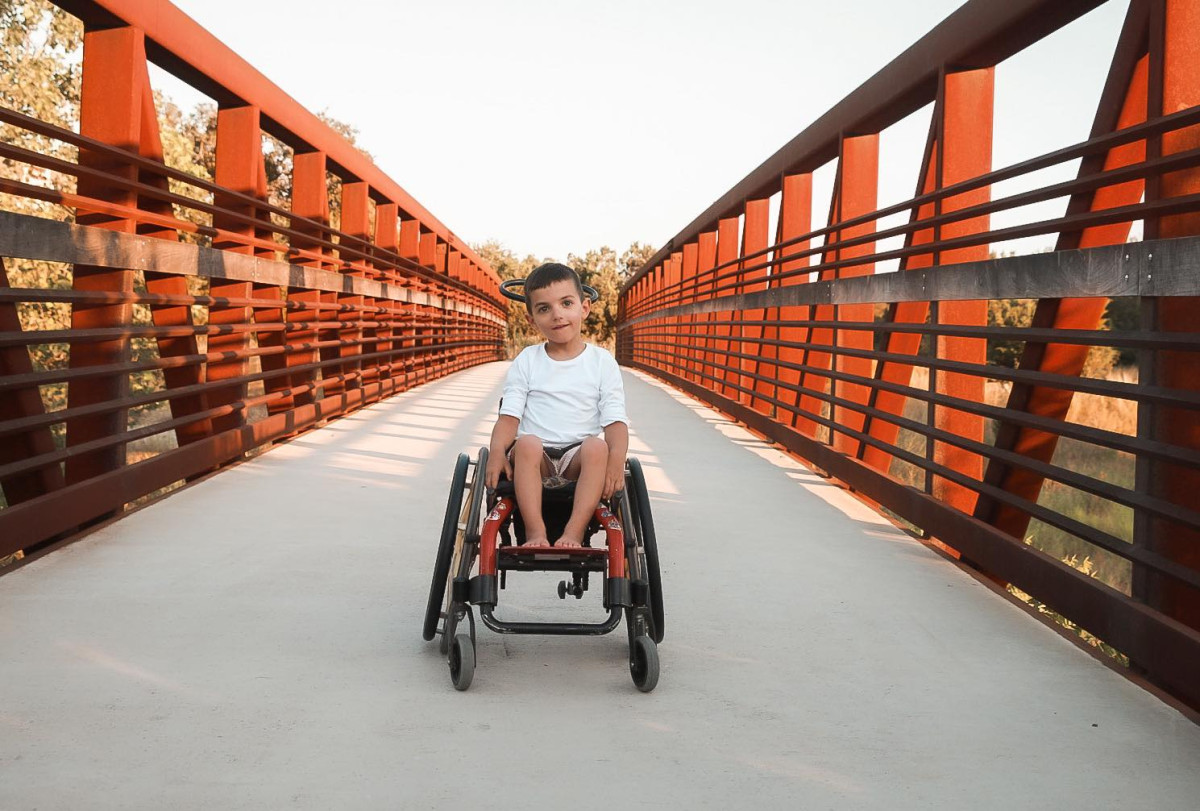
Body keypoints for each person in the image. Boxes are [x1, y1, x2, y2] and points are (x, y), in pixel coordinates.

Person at [484, 262, 629, 548]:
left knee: (597, 447)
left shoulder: (602, 362)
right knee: (527, 443)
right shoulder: (528, 359)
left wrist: (616, 459)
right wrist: (497, 451)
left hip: (577, 457)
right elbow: (509, 416)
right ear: (531, 320)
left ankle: (574, 532)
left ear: (584, 308)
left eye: (566, 303)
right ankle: (535, 532)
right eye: (544, 308)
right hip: (536, 459)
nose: (557, 315)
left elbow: (615, 421)